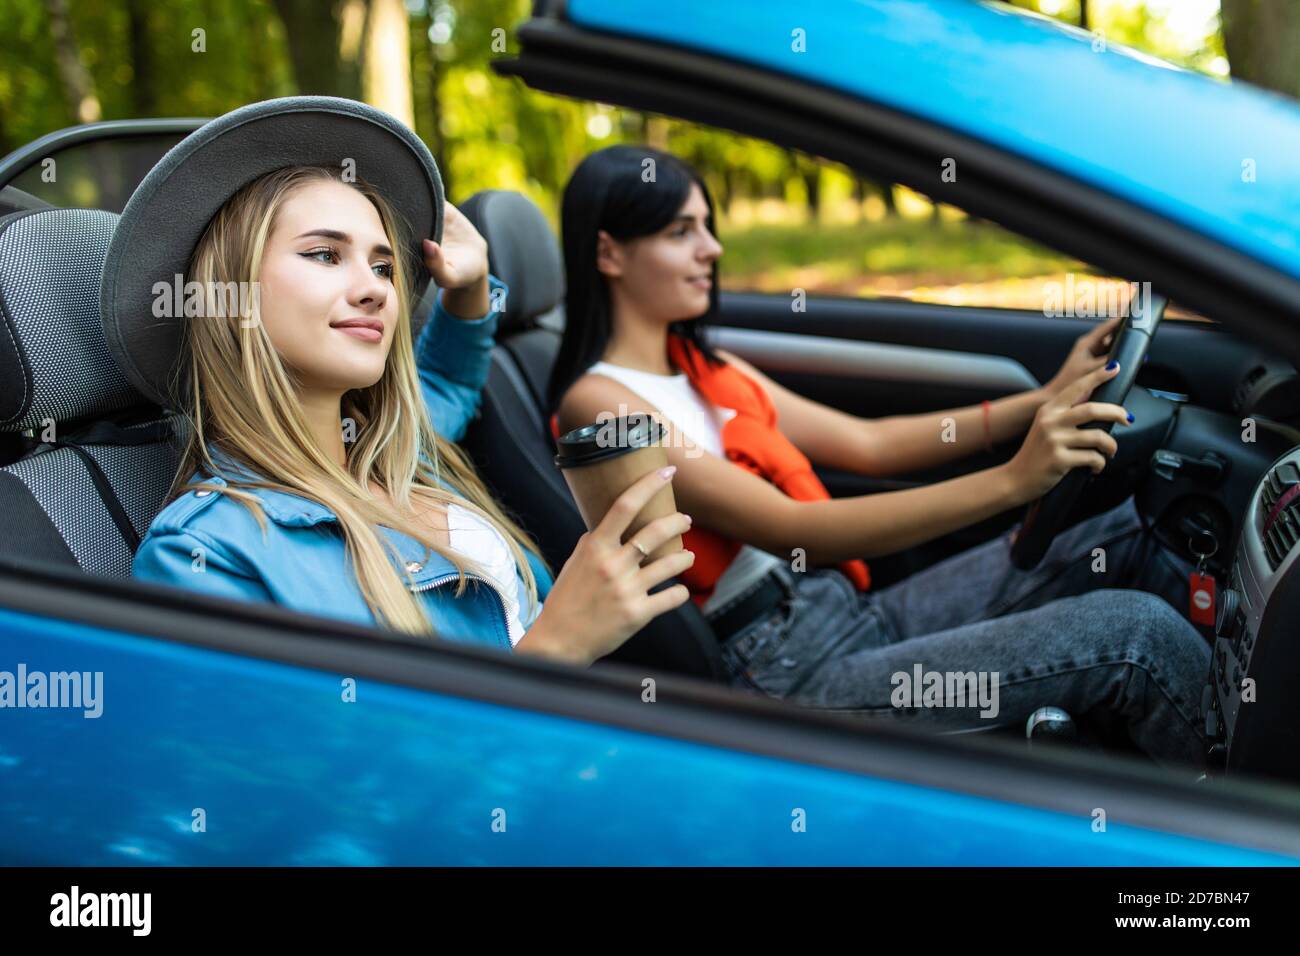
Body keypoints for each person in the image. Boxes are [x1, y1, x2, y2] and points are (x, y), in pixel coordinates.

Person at [549, 145, 1211, 766]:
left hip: (842, 612)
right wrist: (1013, 481)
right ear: (609, 253)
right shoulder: (600, 403)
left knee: (1126, 528)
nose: (713, 248)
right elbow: (791, 528)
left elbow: (870, 443)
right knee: (1135, 636)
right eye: (680, 232)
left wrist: (1042, 400)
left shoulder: (698, 365)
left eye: (707, 226)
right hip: (783, 671)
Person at [124, 98, 694, 667]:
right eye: (325, 255)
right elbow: (317, 757)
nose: (375, 289)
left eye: (382, 266)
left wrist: (470, 288)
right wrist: (553, 651)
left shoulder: (392, 446)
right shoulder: (206, 554)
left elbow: (447, 380)